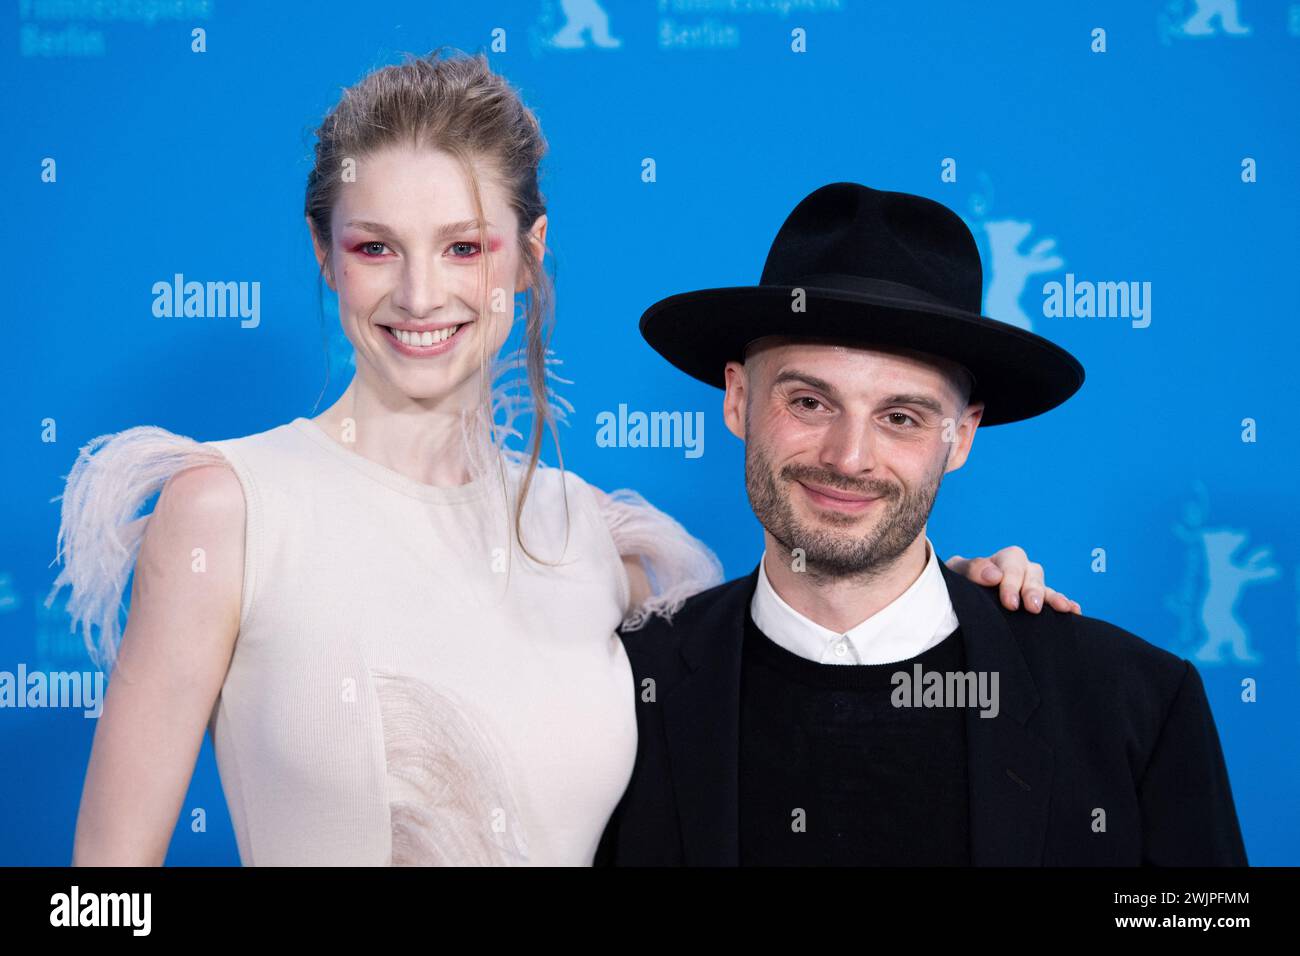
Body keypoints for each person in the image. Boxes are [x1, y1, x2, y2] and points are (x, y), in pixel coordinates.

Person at [45, 51, 1075, 867]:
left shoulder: (599, 542)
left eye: (464, 246)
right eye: (374, 247)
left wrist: (965, 611)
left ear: (530, 252)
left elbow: (805, 664)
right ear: (323, 254)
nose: (418, 295)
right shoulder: (227, 508)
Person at [597, 182, 1249, 866]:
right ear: (738, 399)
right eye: (810, 401)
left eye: (900, 417)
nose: (848, 458)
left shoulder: (1130, 703)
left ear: (960, 438)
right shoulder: (622, 684)